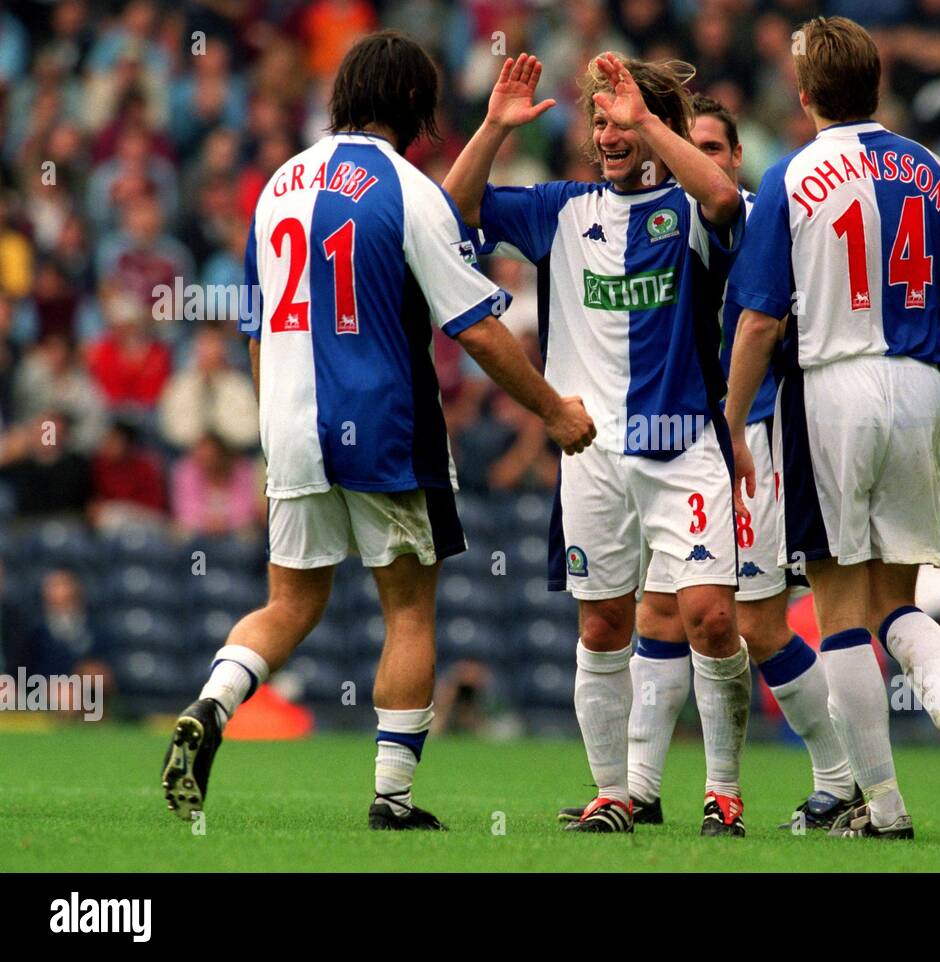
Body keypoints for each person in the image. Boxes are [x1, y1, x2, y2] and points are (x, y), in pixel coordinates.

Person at [160, 31, 595, 832]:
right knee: (409, 611)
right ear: (412, 107)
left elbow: (257, 330)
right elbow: (477, 328)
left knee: (288, 602)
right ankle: (391, 799)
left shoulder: (278, 186)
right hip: (386, 428)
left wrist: (271, 442)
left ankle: (210, 705)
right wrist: (554, 410)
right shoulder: (407, 190)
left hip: (289, 426)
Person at [444, 52, 750, 835]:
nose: (609, 136)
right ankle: (613, 792)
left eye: (624, 122)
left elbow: (720, 196)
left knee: (712, 618)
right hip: (591, 454)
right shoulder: (561, 210)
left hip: (684, 445)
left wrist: (653, 121)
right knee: (601, 626)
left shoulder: (689, 210)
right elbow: (455, 208)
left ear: (655, 127)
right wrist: (491, 128)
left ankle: (723, 792)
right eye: (602, 122)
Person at [725, 16, 940, 839]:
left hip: (830, 390)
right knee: (895, 599)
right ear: (877, 86)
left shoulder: (791, 174)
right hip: (920, 388)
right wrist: (909, 334)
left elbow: (760, 321)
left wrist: (734, 420)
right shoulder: (928, 170)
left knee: (839, 607)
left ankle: (883, 809)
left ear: (805, 94)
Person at [556, 94, 858, 831]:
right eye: (693, 145)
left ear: (733, 157)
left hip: (750, 434)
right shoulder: (657, 215)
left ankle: (840, 778)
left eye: (716, 147)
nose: (705, 158)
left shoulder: (744, 215)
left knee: (753, 624)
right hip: (681, 443)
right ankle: (638, 791)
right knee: (660, 614)